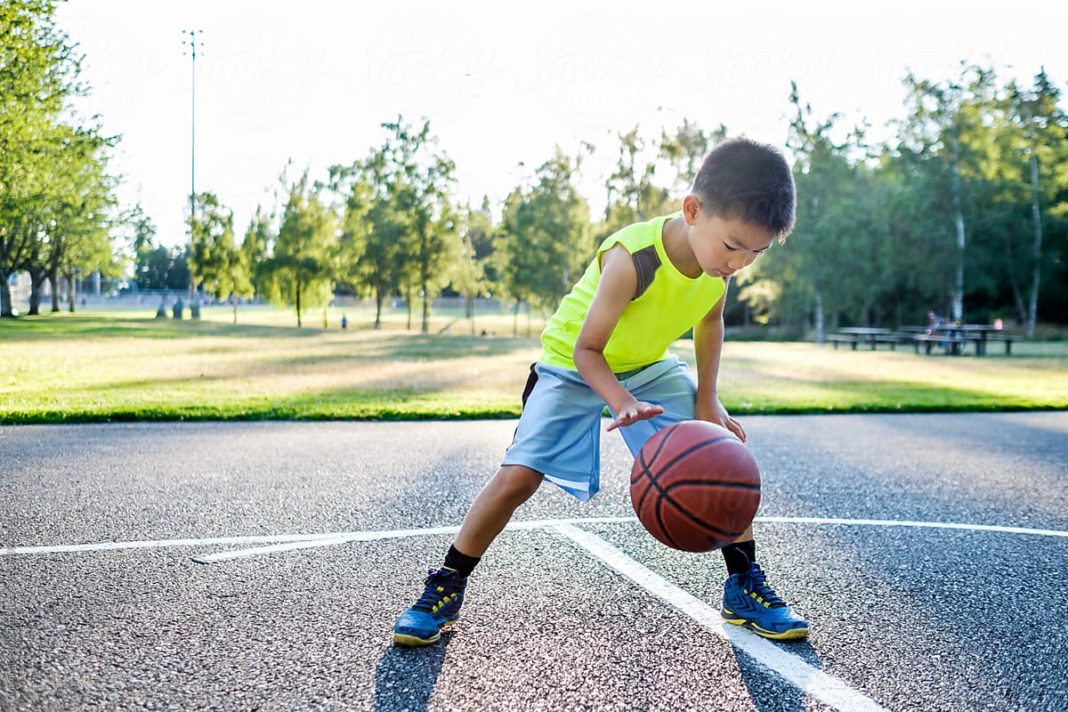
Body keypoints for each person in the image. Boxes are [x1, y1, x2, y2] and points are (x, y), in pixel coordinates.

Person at [393, 137, 808, 646]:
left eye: (756, 253)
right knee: (518, 479)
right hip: (572, 363)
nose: (740, 263)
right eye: (734, 246)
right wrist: (621, 401)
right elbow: (589, 350)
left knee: (720, 457)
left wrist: (707, 400)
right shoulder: (633, 258)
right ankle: (445, 585)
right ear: (693, 210)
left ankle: (744, 585)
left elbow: (710, 324)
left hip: (646, 366)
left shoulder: (717, 268)